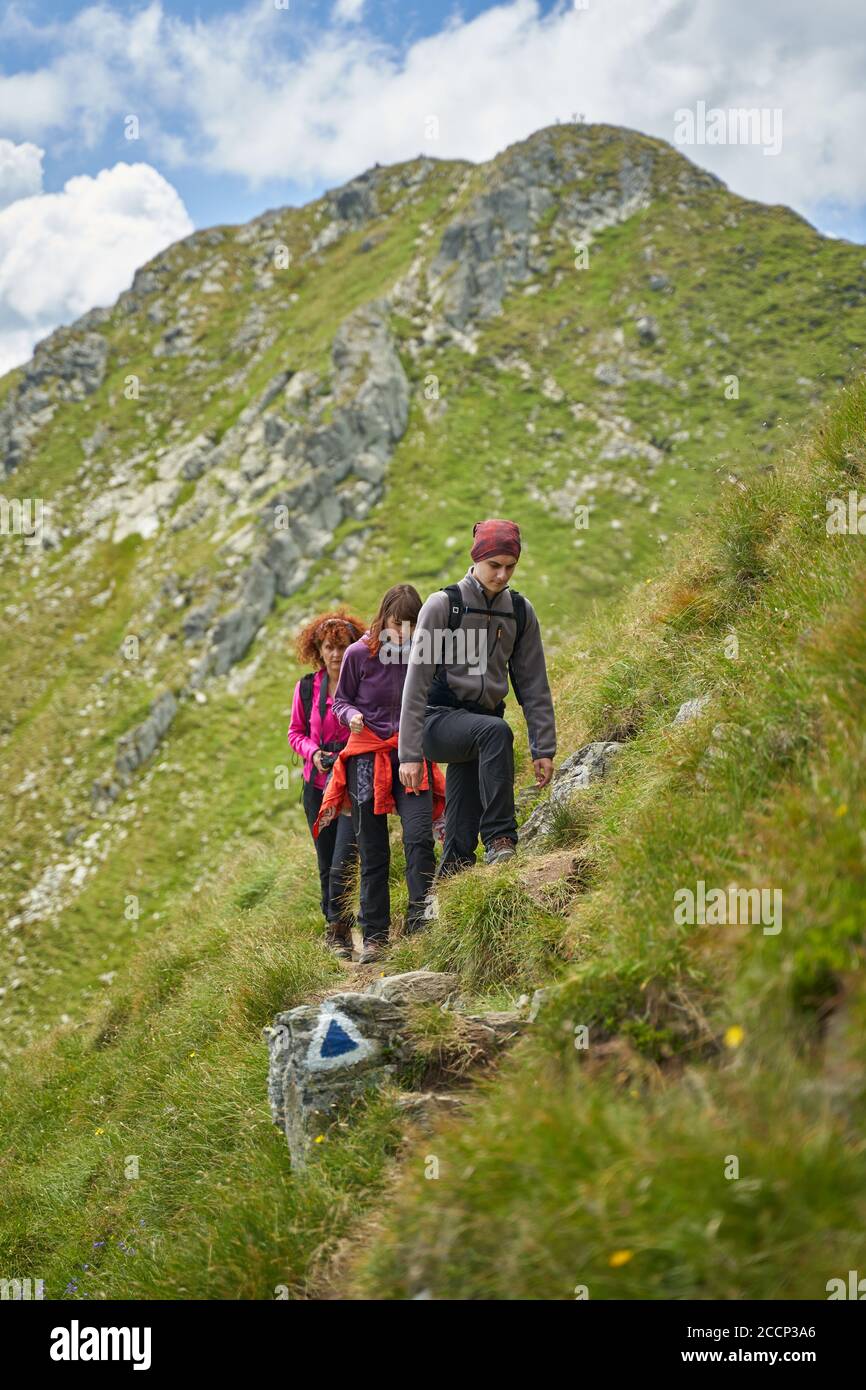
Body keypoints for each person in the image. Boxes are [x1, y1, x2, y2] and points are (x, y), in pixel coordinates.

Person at [397, 519, 556, 875]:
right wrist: (408, 755)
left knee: (459, 833)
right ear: (476, 559)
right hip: (437, 722)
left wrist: (543, 748)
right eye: (494, 565)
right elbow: (416, 683)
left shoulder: (519, 611)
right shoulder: (443, 605)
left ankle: (450, 879)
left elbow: (533, 684)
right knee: (495, 733)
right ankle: (501, 837)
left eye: (510, 566)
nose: (502, 575)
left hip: (480, 725)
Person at [313, 585, 445, 965]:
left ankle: (422, 921)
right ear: (382, 617)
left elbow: (433, 697)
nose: (401, 633)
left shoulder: (423, 653)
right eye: (395, 624)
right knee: (372, 852)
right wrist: (349, 716)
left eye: (410, 625)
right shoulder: (358, 654)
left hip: (411, 754)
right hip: (366, 760)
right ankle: (375, 937)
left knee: (419, 838)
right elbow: (340, 700)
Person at [288, 610, 364, 958]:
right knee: (325, 858)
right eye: (328, 647)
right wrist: (313, 752)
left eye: (342, 646)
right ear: (318, 649)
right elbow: (295, 733)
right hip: (316, 786)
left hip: (351, 784)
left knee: (345, 857)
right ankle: (336, 929)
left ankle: (341, 927)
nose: (335, 654)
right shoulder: (306, 688)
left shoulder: (362, 683)